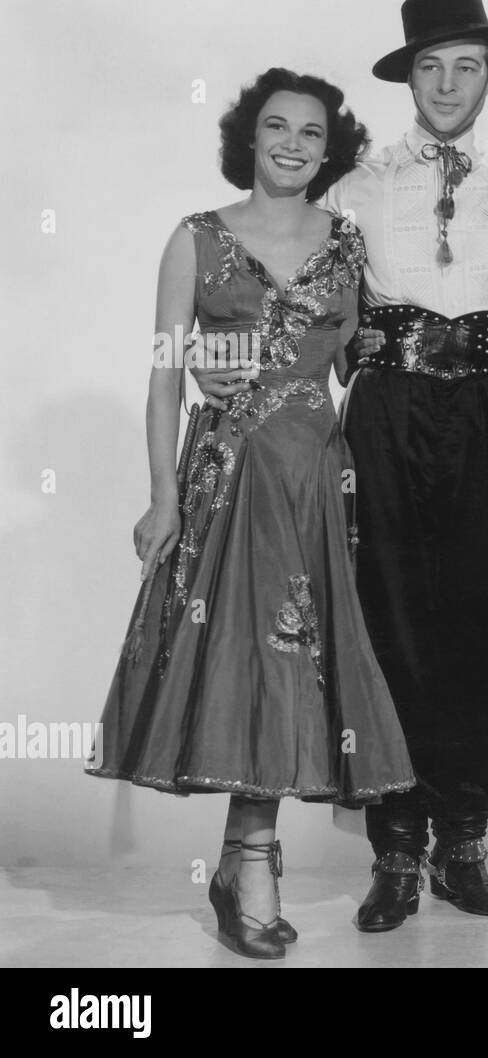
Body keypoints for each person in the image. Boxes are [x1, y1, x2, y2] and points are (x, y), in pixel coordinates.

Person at [197, 0, 488, 929]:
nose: (449, 86)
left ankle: (466, 840)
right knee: (387, 610)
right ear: (408, 77)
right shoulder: (355, 189)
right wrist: (222, 357)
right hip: (388, 411)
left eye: (467, 67)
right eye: (432, 67)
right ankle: (396, 850)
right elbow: (296, 295)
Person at [87, 68, 416, 961]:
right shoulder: (194, 238)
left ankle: (248, 861)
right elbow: (161, 372)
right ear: (249, 135)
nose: (294, 144)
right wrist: (161, 495)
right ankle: (253, 863)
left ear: (330, 148)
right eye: (278, 127)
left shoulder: (351, 245)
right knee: (244, 658)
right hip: (226, 475)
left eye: (313, 133)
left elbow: (367, 372)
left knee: (292, 658)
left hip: (314, 478)